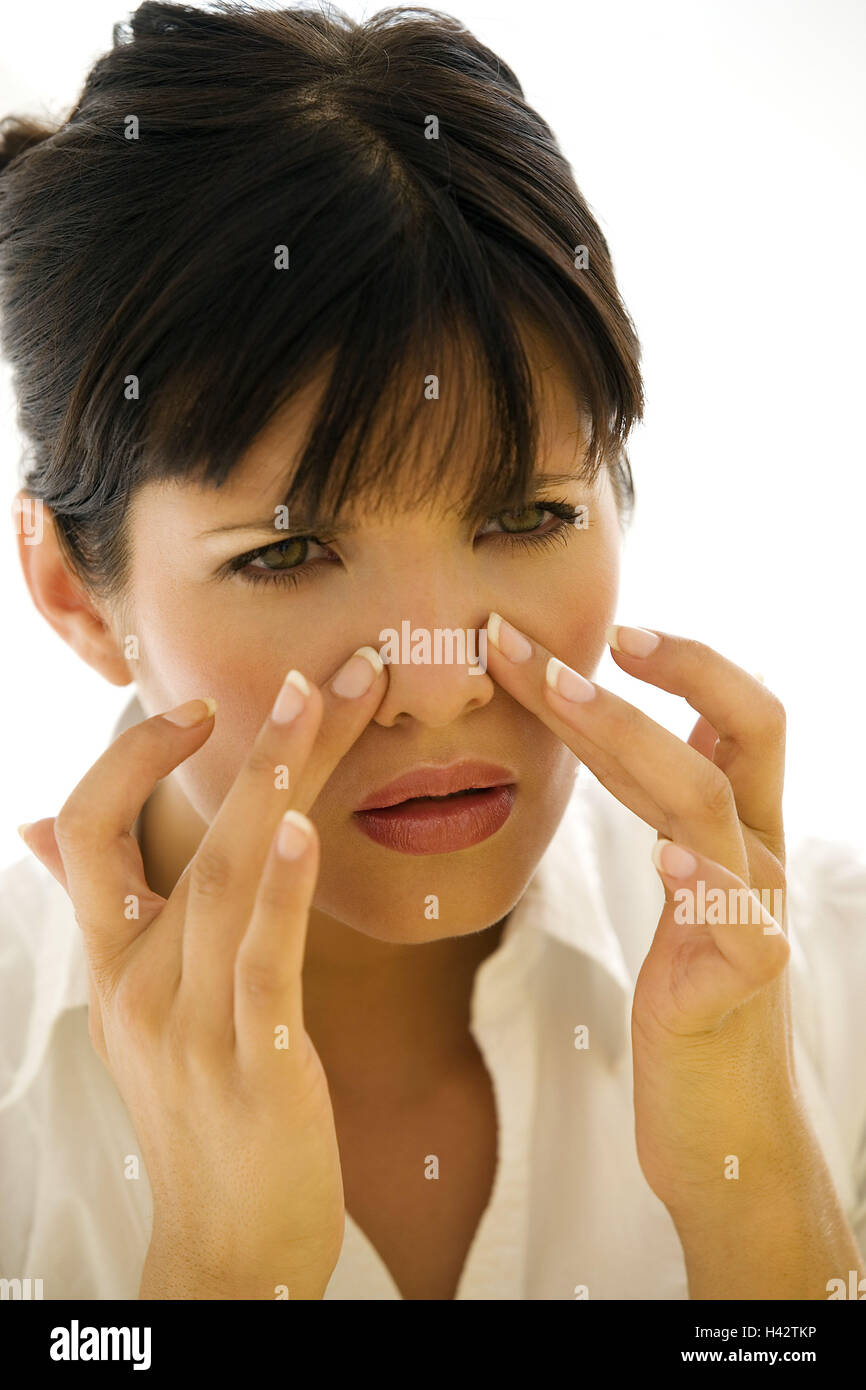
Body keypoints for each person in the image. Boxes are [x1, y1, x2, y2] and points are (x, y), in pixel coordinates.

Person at [1, 1, 864, 1301]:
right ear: (74, 592)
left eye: (526, 516)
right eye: (284, 552)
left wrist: (757, 1186)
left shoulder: (834, 977)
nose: (441, 678)